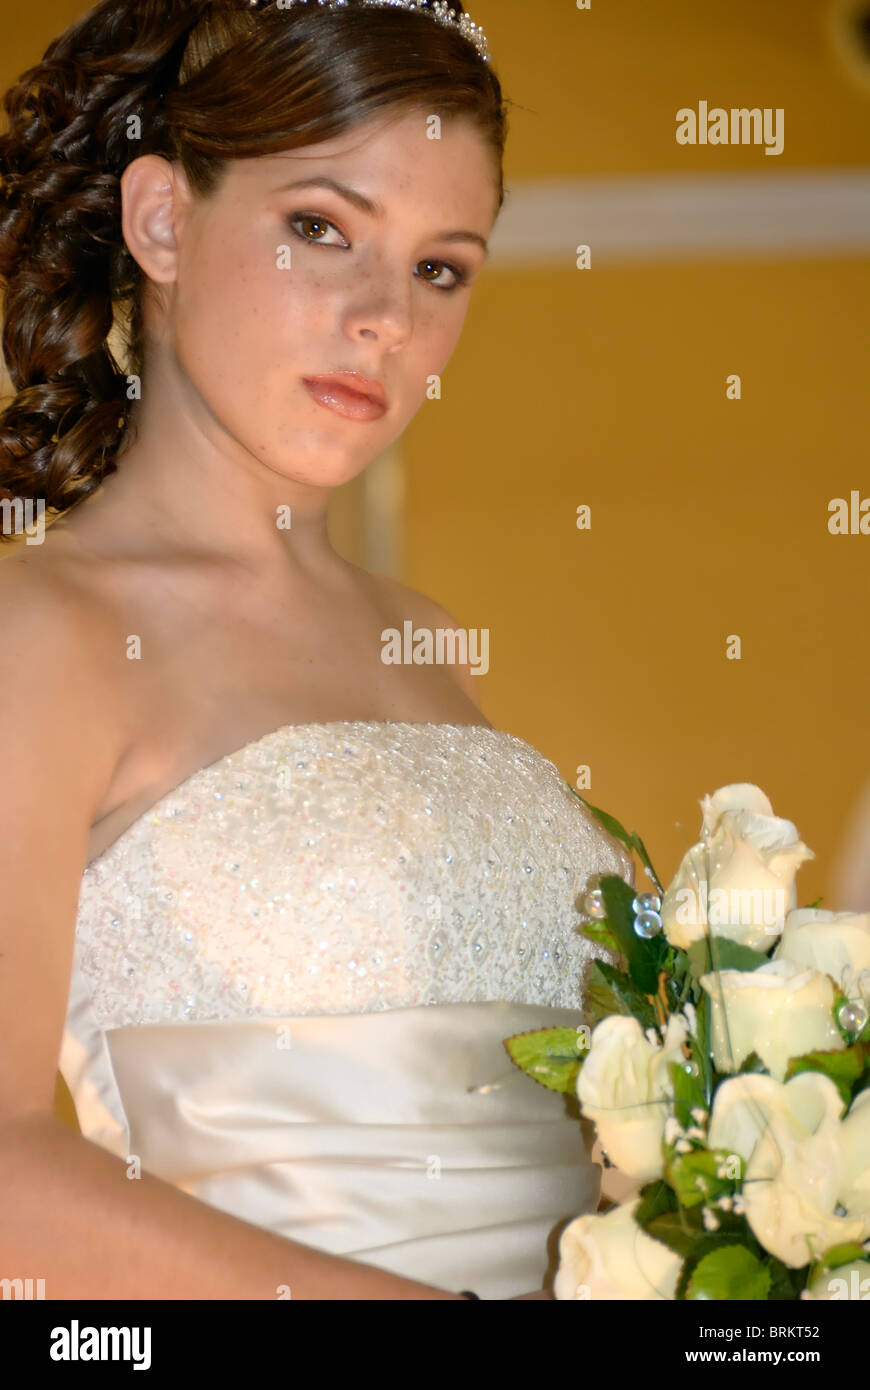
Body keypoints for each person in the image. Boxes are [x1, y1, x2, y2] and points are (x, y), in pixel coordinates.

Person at [0, 0, 633, 1300]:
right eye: (319, 228)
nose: (382, 318)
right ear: (162, 220)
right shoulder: (44, 636)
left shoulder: (429, 636)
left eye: (438, 267)